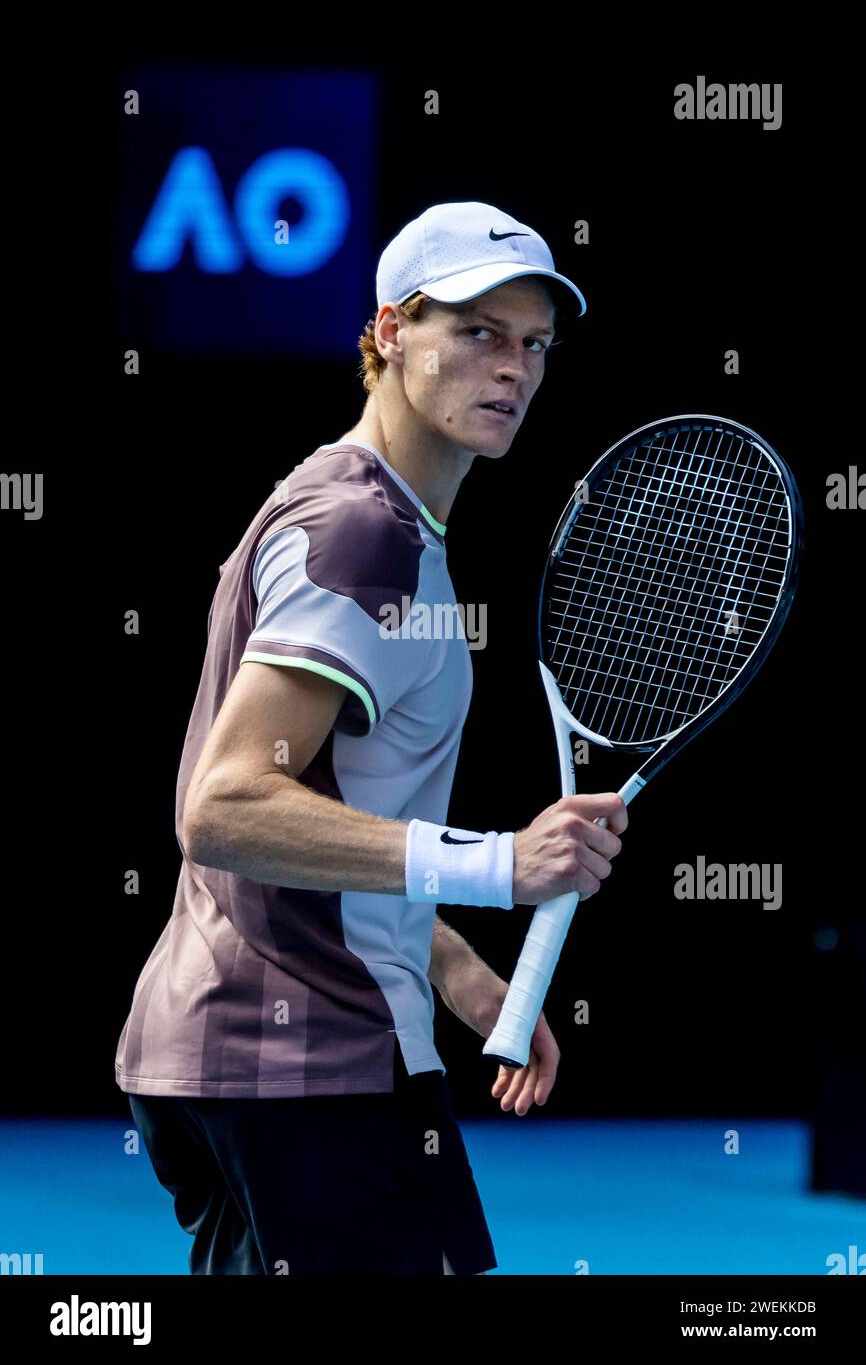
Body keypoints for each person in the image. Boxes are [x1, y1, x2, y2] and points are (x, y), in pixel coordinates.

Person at [115, 200, 629, 1276]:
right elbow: (225, 809)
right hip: (309, 1060)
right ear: (390, 333)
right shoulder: (364, 533)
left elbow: (332, 818)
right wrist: (498, 862)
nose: (513, 370)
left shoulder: (351, 506)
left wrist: (454, 969)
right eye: (476, 332)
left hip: (244, 1051)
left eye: (532, 343)